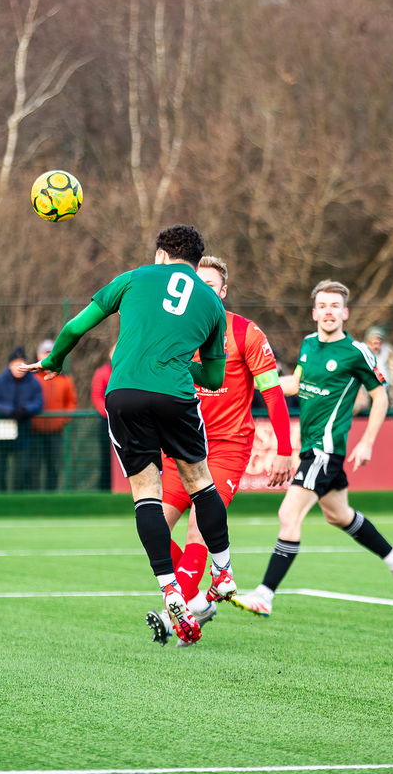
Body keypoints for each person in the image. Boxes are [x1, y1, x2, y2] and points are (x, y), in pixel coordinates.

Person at [22, 224, 235, 645]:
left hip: (124, 395)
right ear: (196, 262)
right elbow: (213, 376)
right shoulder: (212, 302)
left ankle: (169, 588)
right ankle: (224, 571)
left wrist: (55, 360)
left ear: (160, 254)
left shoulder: (134, 277)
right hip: (175, 396)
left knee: (146, 493)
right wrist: (173, 361)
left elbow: (75, 327)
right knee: (200, 483)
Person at [230, 280, 393, 620]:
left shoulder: (356, 352)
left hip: (326, 450)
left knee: (289, 515)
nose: (328, 312)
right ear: (314, 313)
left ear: (344, 313)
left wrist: (368, 442)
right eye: (323, 306)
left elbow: (380, 396)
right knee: (338, 515)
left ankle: (265, 594)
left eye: (335, 306)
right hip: (311, 447)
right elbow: (296, 384)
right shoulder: (309, 344)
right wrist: (251, 382)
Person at [144, 256, 295, 646]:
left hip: (227, 448)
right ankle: (196, 599)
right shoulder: (175, 332)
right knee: (153, 526)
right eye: (198, 284)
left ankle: (176, 609)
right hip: (180, 445)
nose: (205, 290)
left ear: (223, 292)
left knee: (198, 526)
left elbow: (274, 394)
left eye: (212, 285)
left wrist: (283, 448)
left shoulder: (245, 332)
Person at [0, 346, 44, 491]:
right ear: (9, 365)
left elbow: (38, 403)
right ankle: (0, 501)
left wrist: (25, 410)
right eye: (15, 363)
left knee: (21, 470)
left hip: (23, 431)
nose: (18, 367)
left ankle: (16, 499)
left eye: (21, 364)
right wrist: (9, 411)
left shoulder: (33, 382)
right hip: (0, 432)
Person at [31, 338, 78, 491]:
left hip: (56, 431)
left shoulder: (64, 379)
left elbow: (71, 402)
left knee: (53, 466)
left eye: (50, 353)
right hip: (34, 431)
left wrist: (62, 420)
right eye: (44, 353)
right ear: (38, 356)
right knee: (34, 465)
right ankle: (34, 495)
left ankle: (51, 495)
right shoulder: (32, 378)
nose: (47, 356)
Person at [354, 326, 393, 413]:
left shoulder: (389, 353)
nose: (376, 346)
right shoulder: (362, 353)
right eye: (374, 343)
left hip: (384, 389)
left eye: (379, 343)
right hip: (366, 391)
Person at [89, 345, 115, 491]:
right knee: (106, 457)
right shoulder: (102, 372)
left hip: (126, 420)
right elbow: (97, 396)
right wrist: (109, 413)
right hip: (107, 421)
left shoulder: (129, 371)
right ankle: (104, 488)